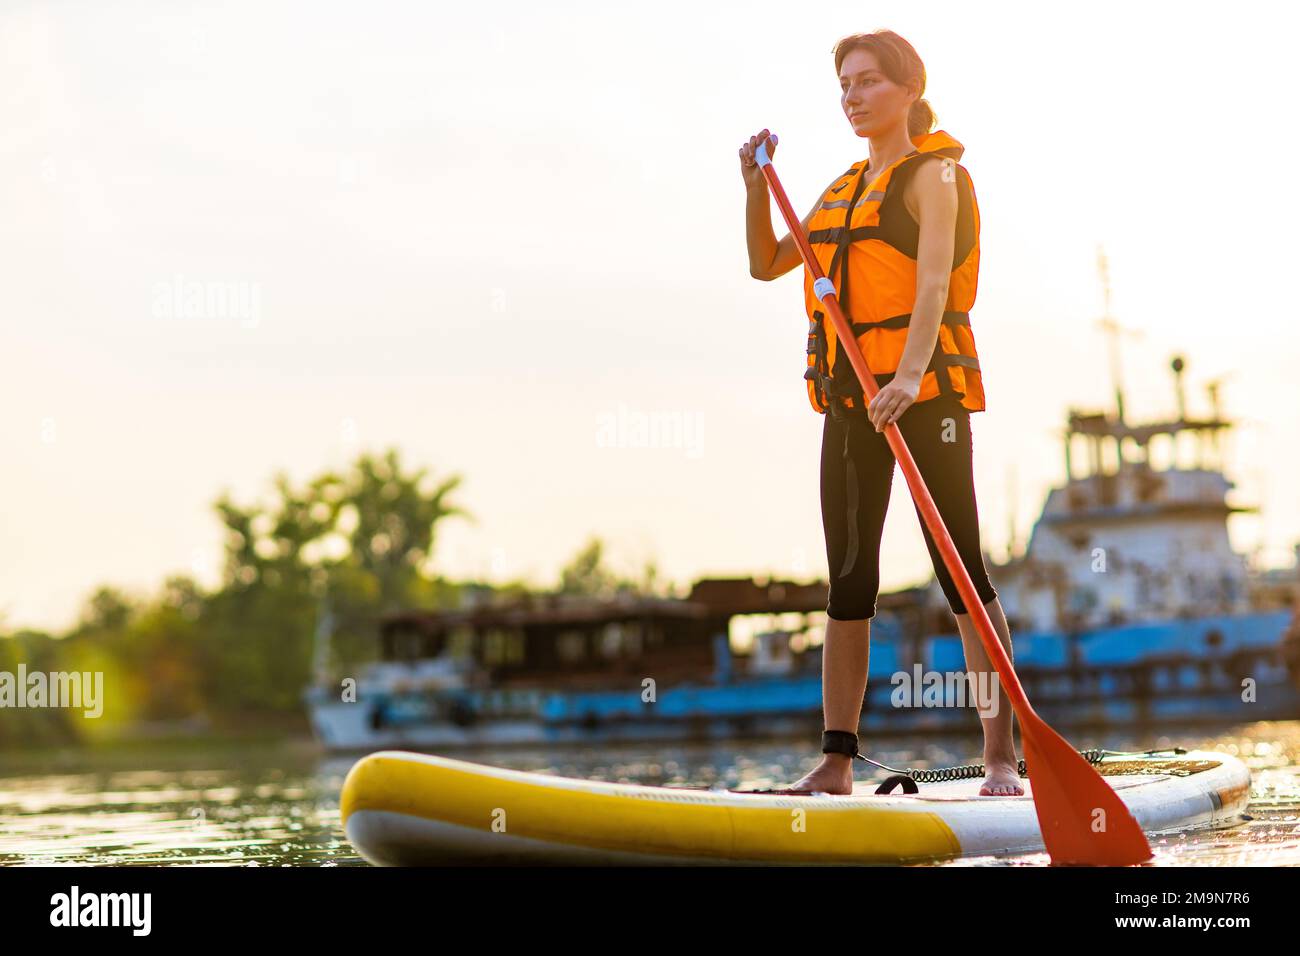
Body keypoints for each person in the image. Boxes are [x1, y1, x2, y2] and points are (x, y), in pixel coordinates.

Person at [739, 29, 1022, 796]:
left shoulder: (936, 176)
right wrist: (754, 188)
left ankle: (1000, 757)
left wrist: (908, 373)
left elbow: (932, 285)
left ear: (907, 88)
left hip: (926, 398)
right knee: (848, 579)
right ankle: (835, 762)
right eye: (845, 84)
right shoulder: (836, 191)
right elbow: (767, 262)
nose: (853, 97)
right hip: (850, 401)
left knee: (962, 573)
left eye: (867, 82)